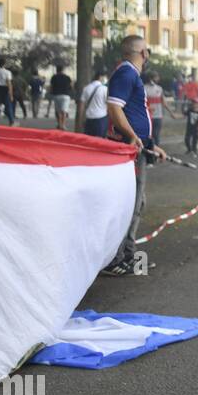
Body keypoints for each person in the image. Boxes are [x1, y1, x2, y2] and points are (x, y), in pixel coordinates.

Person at [100, 35, 166, 277]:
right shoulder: (126, 74)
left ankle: (127, 255)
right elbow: (114, 108)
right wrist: (132, 136)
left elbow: (132, 113)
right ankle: (116, 258)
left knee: (138, 202)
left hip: (137, 148)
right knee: (130, 203)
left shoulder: (129, 74)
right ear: (144, 53)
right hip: (129, 151)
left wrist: (151, 144)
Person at [144, 72, 174, 146]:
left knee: (156, 135)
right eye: (157, 77)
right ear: (151, 78)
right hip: (148, 116)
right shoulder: (144, 88)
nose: (158, 79)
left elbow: (163, 102)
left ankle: (156, 152)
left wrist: (171, 113)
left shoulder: (159, 89)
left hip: (158, 116)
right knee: (148, 135)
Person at [80, 68, 109, 137]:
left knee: (89, 141)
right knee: (100, 142)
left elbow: (81, 106)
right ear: (100, 77)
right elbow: (109, 105)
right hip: (101, 119)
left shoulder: (86, 88)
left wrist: (81, 119)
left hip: (89, 119)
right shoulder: (105, 89)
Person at [49, 64, 73, 131]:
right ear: (63, 70)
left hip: (57, 95)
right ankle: (63, 125)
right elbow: (71, 86)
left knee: (58, 111)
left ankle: (59, 124)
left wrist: (51, 93)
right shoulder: (67, 77)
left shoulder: (54, 77)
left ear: (56, 70)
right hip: (65, 95)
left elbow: (51, 87)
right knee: (64, 111)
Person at [0, 58, 13, 126]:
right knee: (8, 106)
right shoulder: (7, 72)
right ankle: (11, 121)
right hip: (5, 89)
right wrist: (11, 94)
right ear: (4, 64)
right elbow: (9, 83)